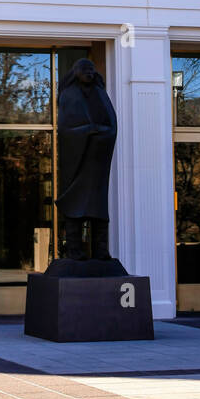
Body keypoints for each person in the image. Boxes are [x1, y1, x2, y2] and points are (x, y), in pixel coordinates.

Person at [56, 58, 118, 261]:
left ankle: (101, 250)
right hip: (77, 161)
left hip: (98, 160)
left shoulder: (101, 94)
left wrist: (101, 132)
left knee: (99, 208)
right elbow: (65, 129)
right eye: (85, 69)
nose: (90, 72)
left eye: (92, 69)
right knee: (75, 206)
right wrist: (86, 131)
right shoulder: (69, 95)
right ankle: (74, 250)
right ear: (76, 72)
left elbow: (112, 126)